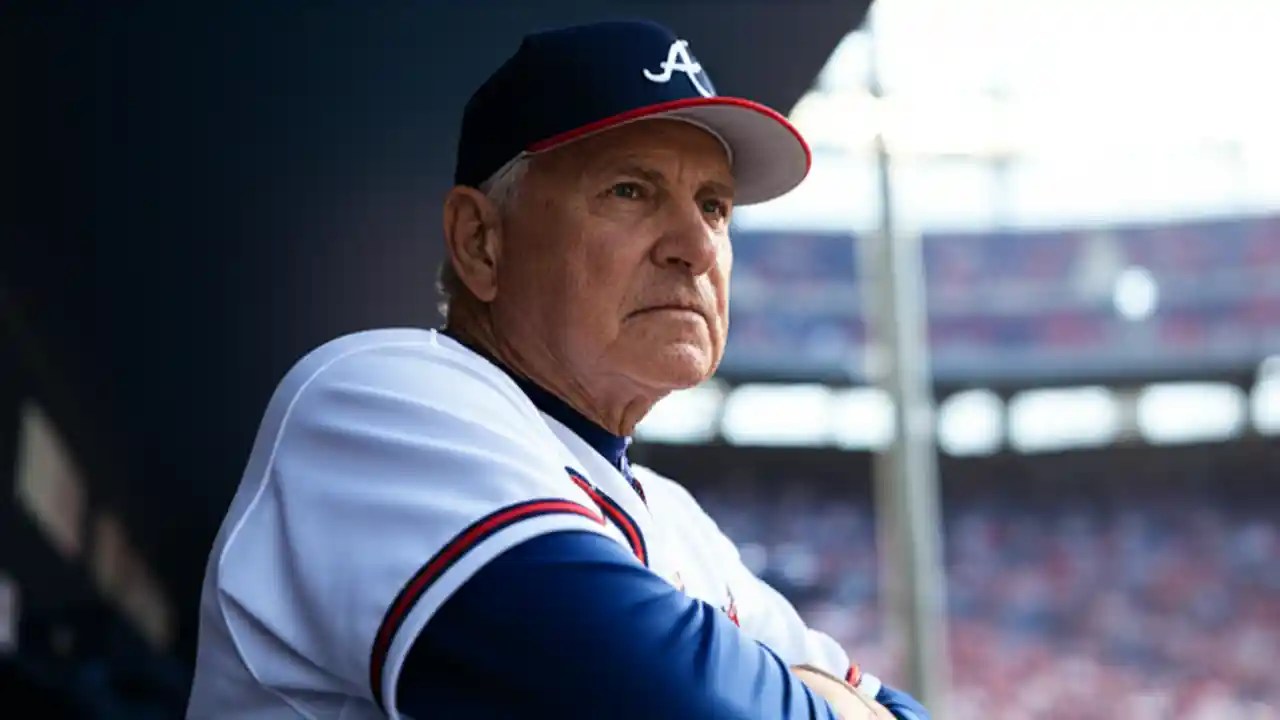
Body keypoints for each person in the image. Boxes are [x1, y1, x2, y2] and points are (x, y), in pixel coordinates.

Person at [186, 19, 930, 720]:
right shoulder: (373, 400)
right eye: (630, 191)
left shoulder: (682, 526)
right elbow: (670, 706)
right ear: (480, 240)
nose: (695, 247)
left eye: (713, 206)